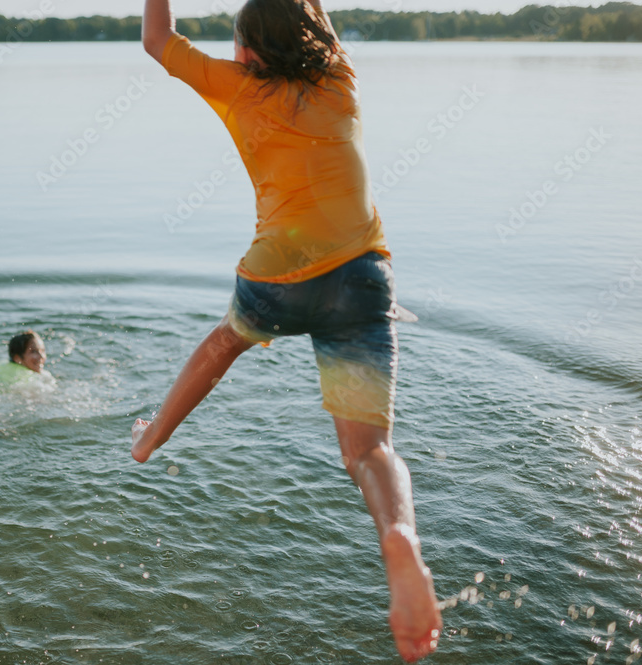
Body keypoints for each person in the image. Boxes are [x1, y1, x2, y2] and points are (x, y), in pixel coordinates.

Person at [131, 0, 443, 661]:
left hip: (278, 276)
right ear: (310, 36)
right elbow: (316, 20)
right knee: (370, 453)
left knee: (223, 344)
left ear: (247, 53)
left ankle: (149, 437)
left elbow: (157, 39)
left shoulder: (238, 85)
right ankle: (400, 537)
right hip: (361, 277)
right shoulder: (340, 79)